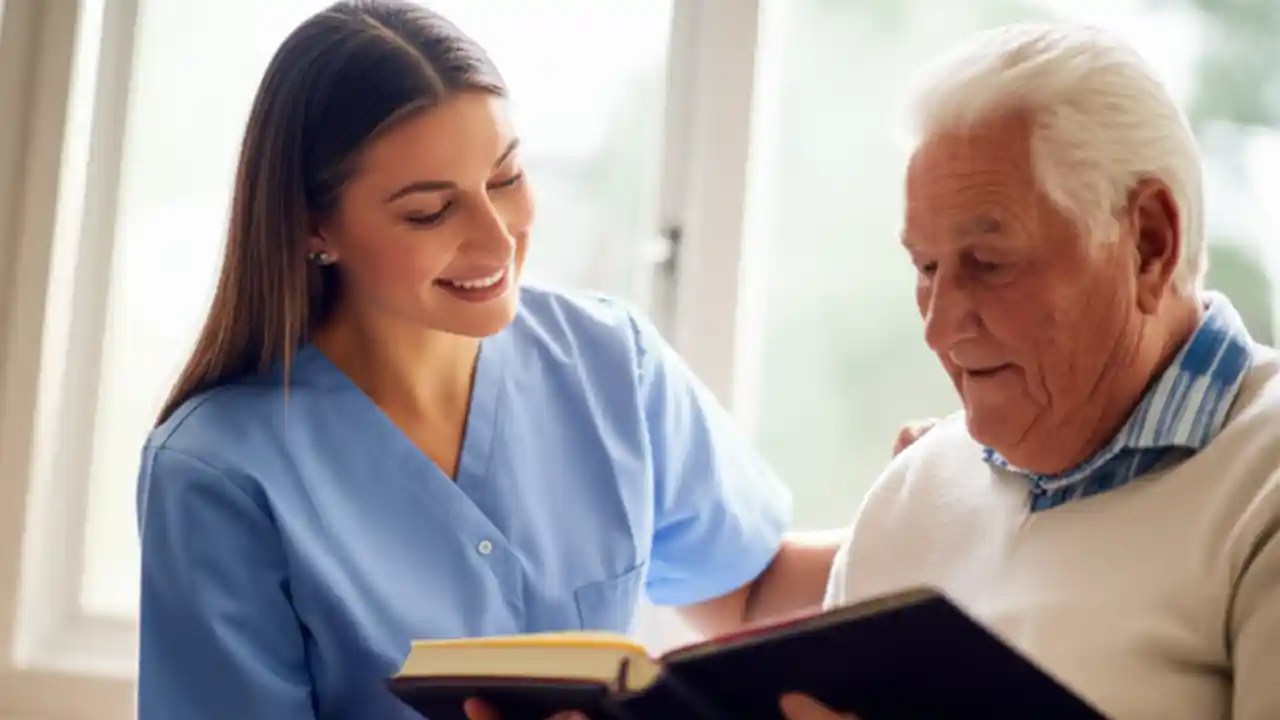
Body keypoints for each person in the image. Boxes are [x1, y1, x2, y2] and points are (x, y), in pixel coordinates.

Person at [133, 2, 932, 718]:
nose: (496, 236)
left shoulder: (611, 363)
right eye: (431, 210)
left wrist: (944, 504)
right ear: (315, 228)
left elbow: (749, 589)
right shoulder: (218, 473)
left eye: (507, 176)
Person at [787, 22, 1280, 720]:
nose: (939, 326)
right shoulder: (910, 494)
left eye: (989, 264)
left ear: (1148, 244)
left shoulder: (1264, 486)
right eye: (926, 269)